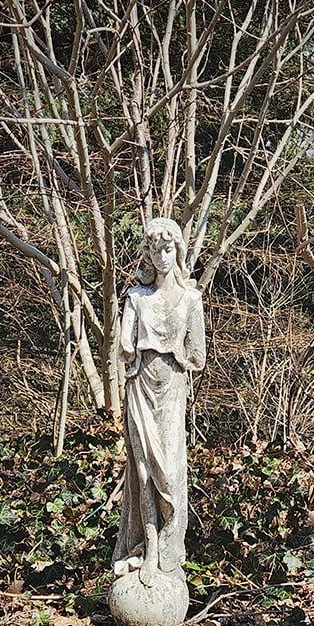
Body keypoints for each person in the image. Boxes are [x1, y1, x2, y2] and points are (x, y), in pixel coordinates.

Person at [112, 217, 206, 587]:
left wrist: (176, 356)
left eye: (168, 249)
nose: (162, 256)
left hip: (171, 390)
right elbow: (124, 345)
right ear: (147, 255)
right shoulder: (135, 298)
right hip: (139, 386)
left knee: (169, 469)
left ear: (178, 251)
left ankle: (168, 547)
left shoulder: (190, 299)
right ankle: (147, 547)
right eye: (155, 250)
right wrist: (128, 342)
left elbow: (197, 354)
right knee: (142, 471)